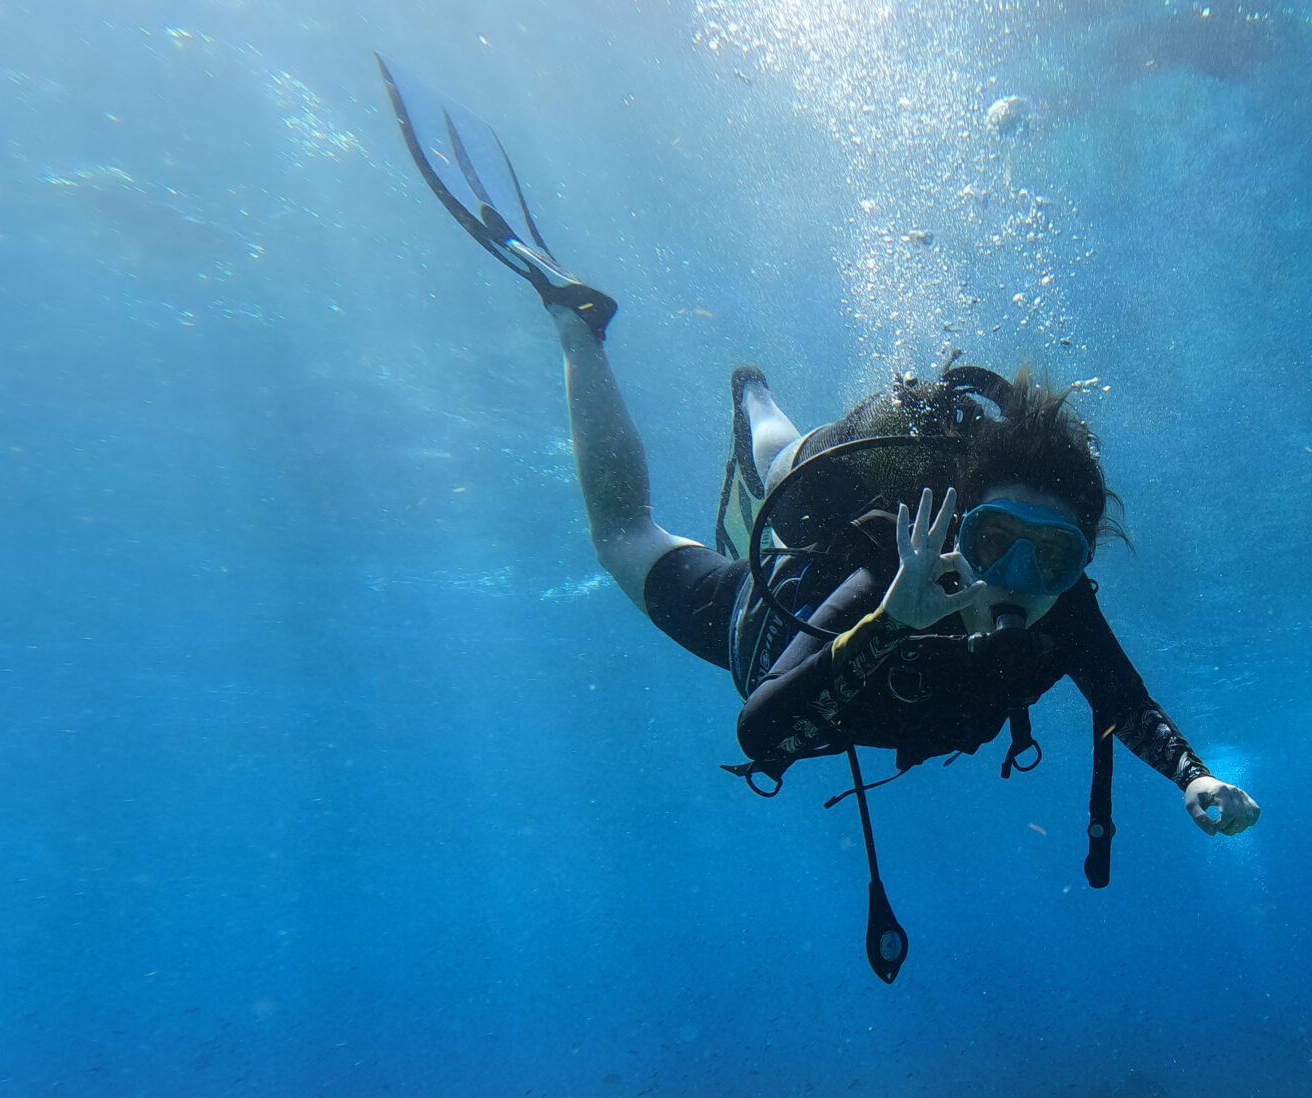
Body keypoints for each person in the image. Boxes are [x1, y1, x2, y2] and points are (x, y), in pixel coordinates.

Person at [380, 60, 1260, 977]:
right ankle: (587, 331)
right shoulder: (886, 572)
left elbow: (1126, 701)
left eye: (1052, 558)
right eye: (996, 542)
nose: (1017, 578)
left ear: (1078, 564)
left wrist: (1194, 776)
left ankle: (763, 411)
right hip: (754, 622)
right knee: (630, 535)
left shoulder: (1058, 605)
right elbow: (763, 732)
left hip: (838, 606)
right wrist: (892, 623)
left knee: (793, 468)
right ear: (958, 529)